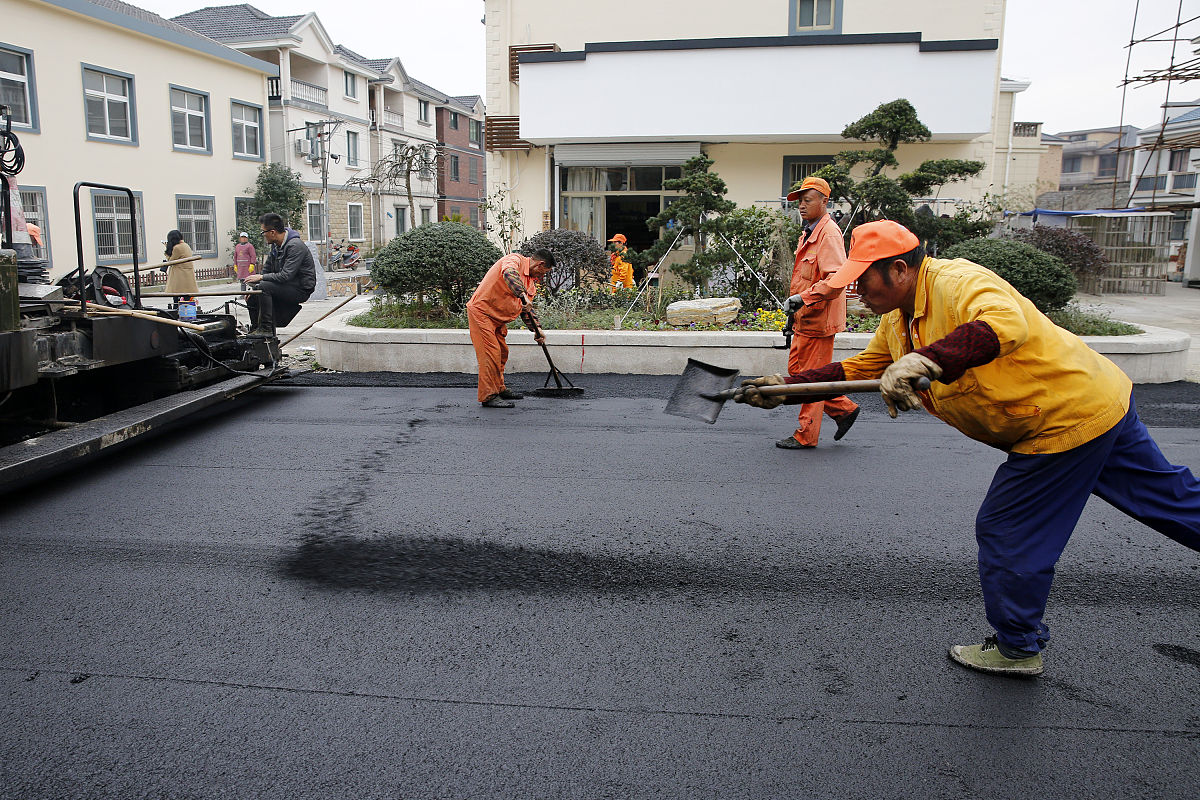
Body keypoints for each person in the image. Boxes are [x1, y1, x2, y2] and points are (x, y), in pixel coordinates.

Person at [736, 219, 1200, 677]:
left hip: (1061, 421)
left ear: (898, 269)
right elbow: (864, 368)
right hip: (1100, 400)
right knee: (1169, 500)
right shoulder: (899, 320)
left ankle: (1018, 647)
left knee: (1007, 531)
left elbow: (1003, 324)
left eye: (861, 279)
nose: (855, 290)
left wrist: (929, 359)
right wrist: (787, 387)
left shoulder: (959, 282)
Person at [777, 176, 859, 449]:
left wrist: (804, 297)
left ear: (825, 201)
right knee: (798, 372)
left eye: (807, 200)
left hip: (819, 318)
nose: (801, 205)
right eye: (799, 201)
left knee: (809, 378)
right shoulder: (809, 232)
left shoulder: (829, 233)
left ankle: (806, 435)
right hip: (806, 318)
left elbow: (837, 279)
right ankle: (843, 409)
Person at [466, 249, 554, 408]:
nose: (543, 276)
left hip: (497, 319)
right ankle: (488, 395)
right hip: (482, 312)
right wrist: (522, 294)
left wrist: (537, 330)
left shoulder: (530, 283)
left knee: (502, 353)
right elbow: (509, 273)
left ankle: (499, 388)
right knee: (490, 353)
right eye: (544, 272)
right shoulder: (514, 260)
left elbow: (526, 310)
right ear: (540, 264)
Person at [245, 213, 316, 336]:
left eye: (263, 232)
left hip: (300, 289)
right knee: (254, 294)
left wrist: (261, 279)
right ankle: (256, 329)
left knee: (264, 287)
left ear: (272, 232)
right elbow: (267, 270)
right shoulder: (276, 247)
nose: (263, 236)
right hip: (287, 285)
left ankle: (266, 329)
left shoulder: (295, 246)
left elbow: (285, 276)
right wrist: (254, 288)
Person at [162, 229, 199, 298]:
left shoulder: (177, 248)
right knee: (186, 298)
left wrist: (166, 251)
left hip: (179, 276)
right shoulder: (185, 245)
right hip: (187, 274)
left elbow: (171, 261)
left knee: (177, 298)